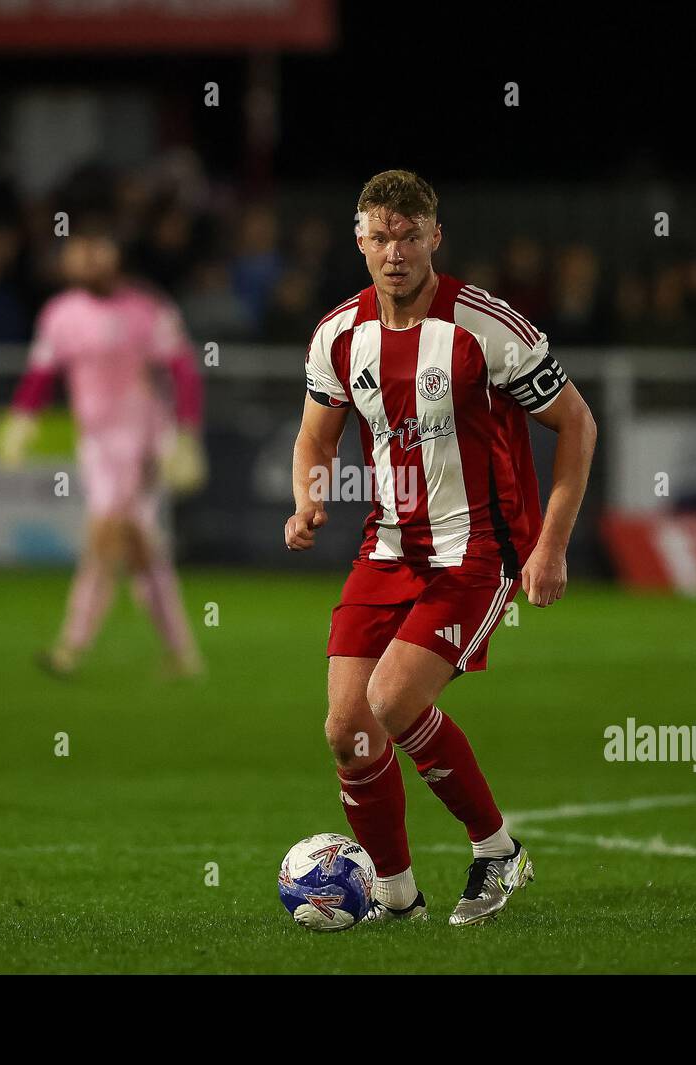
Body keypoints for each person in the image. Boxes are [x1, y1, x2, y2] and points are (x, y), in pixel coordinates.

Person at [284, 170, 598, 926]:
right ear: (360, 241)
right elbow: (314, 436)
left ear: (435, 238)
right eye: (380, 237)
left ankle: (497, 850)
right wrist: (307, 497)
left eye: (409, 235)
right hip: (385, 549)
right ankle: (395, 893)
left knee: (392, 699)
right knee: (347, 731)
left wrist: (550, 547)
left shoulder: (486, 327)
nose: (395, 251)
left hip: (477, 551)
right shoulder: (337, 334)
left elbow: (579, 425)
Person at [0, 225, 206, 677]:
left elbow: (183, 371)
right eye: (79, 252)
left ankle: (70, 648)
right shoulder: (60, 314)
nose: (88, 260)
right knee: (139, 551)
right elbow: (39, 374)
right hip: (96, 446)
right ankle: (182, 653)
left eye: (97, 248)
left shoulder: (146, 308)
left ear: (115, 255)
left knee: (103, 536)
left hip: (143, 444)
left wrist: (185, 434)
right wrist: (21, 420)